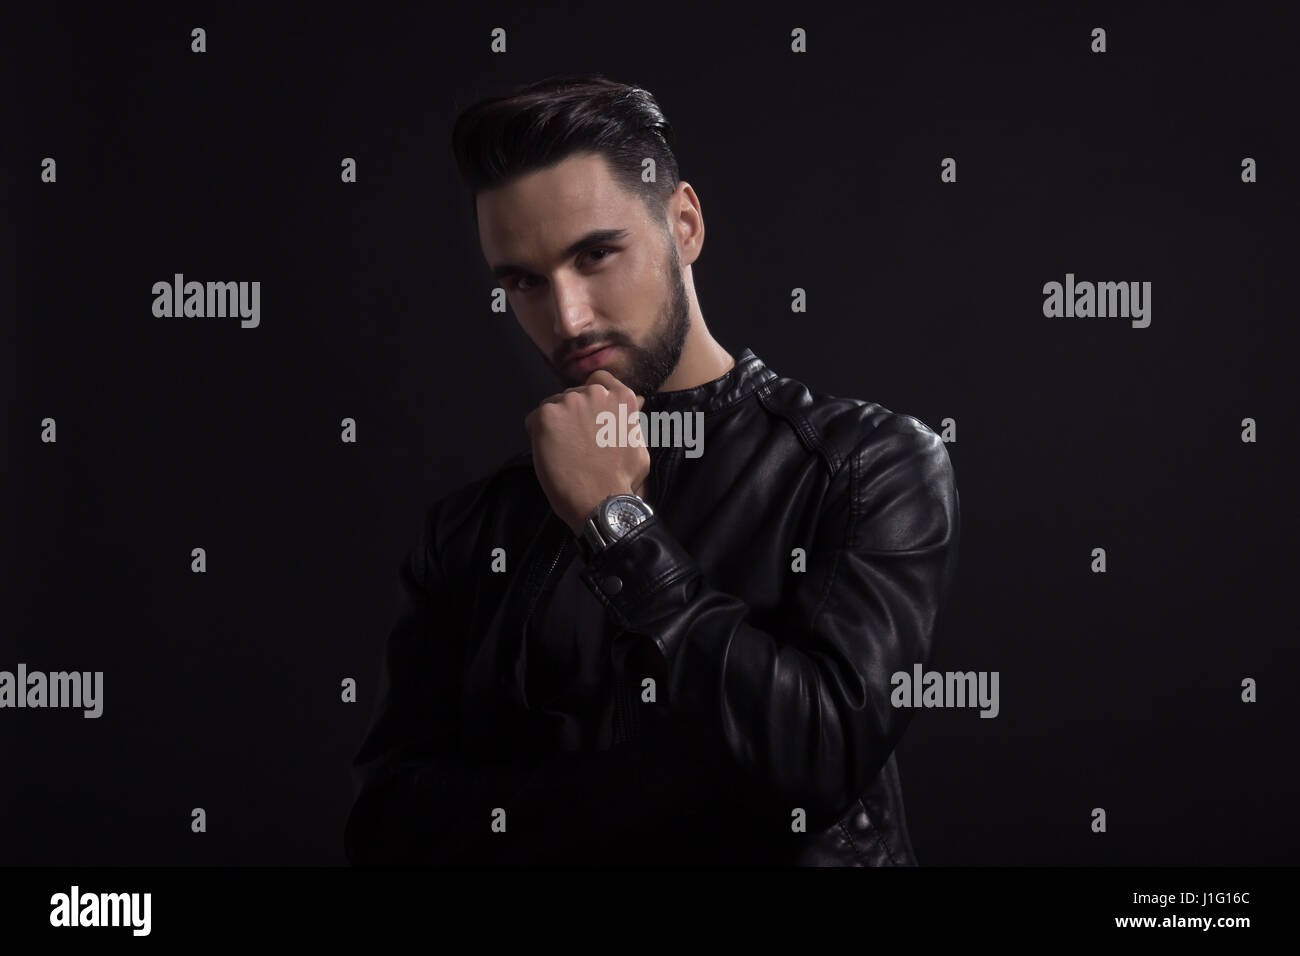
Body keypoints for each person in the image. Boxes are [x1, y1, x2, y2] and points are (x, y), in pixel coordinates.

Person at [343, 72, 961, 866]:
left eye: (596, 254)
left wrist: (613, 522)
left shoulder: (868, 464)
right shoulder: (470, 529)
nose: (566, 318)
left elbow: (814, 761)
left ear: (685, 224)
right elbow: (387, 829)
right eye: (524, 282)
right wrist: (661, 793)